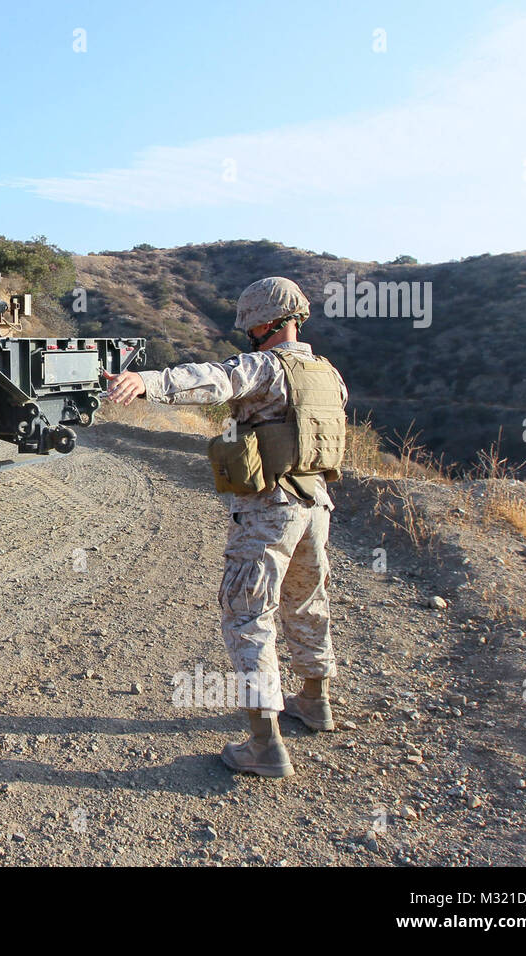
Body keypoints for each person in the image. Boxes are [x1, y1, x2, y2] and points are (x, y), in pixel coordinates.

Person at [102, 277, 347, 778]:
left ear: (262, 322)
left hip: (269, 508)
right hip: (316, 504)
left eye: (251, 324)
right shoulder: (328, 373)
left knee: (248, 613)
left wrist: (147, 383)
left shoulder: (266, 367)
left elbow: (214, 378)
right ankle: (315, 701)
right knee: (308, 601)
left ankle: (264, 744)